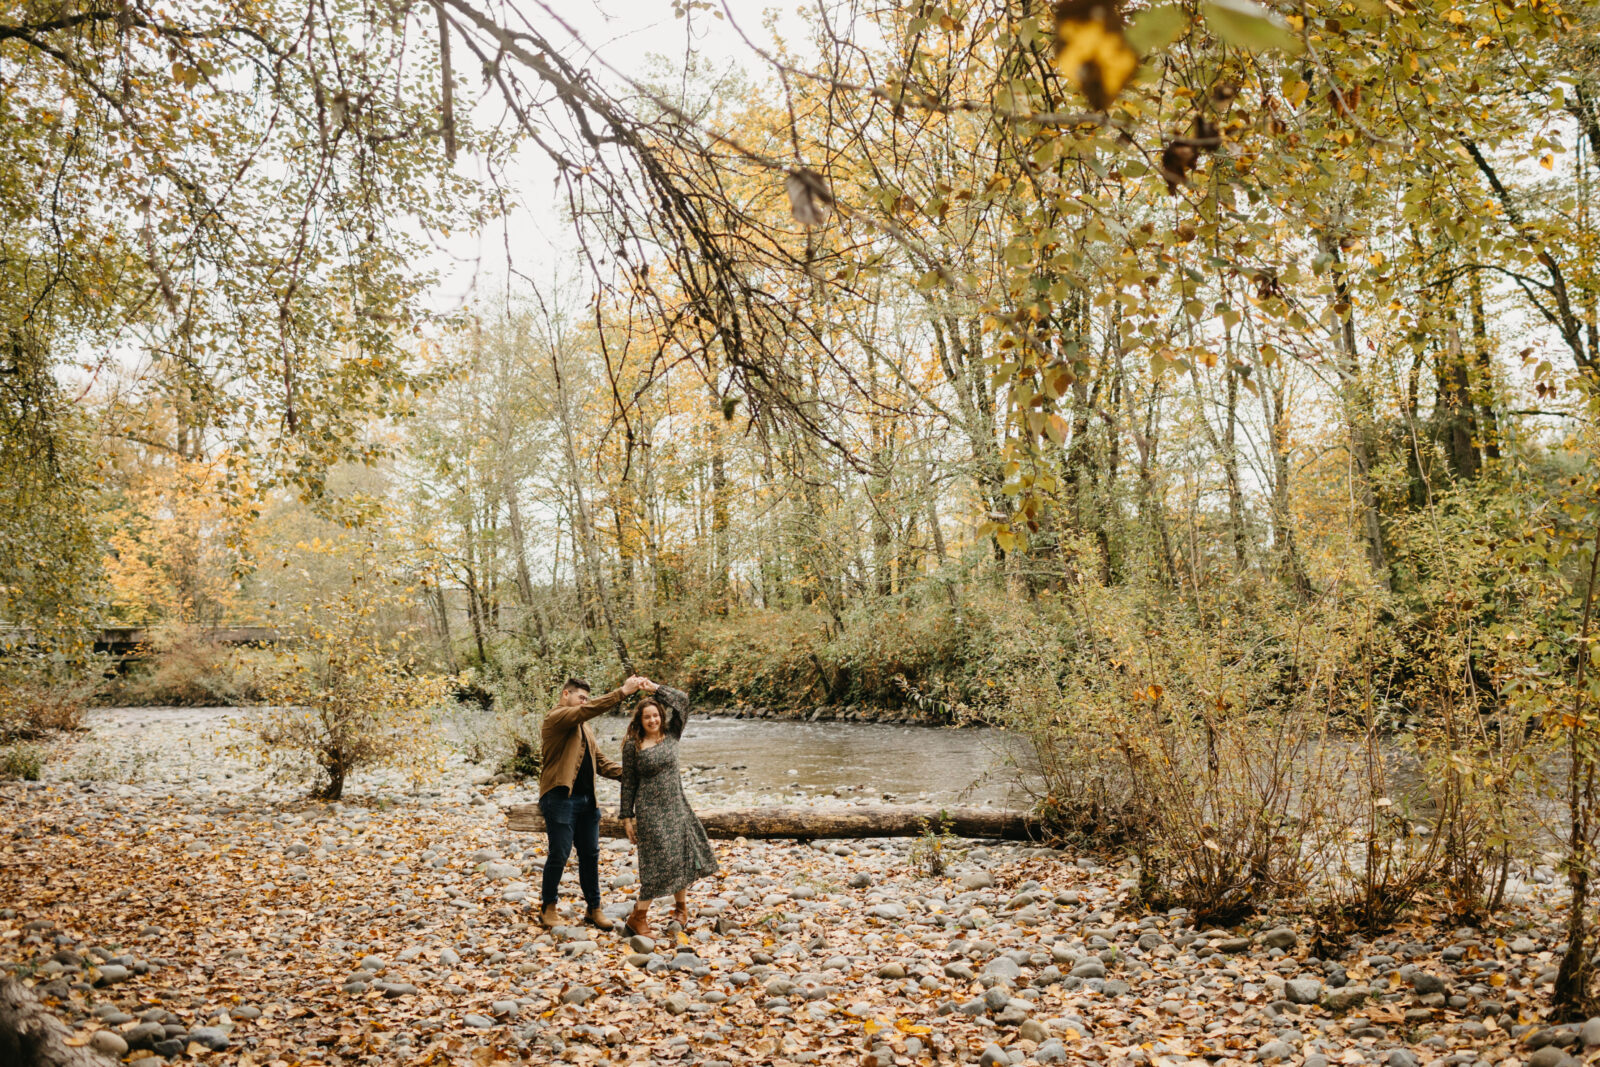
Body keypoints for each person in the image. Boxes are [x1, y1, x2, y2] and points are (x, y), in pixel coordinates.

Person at [537, 674, 645, 929]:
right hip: (559, 797)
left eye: (586, 698)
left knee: (590, 855)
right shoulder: (556, 717)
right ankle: (548, 907)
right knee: (560, 854)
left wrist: (632, 775)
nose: (584, 702)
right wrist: (622, 692)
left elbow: (601, 762)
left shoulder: (584, 727)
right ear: (566, 695)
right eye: (580, 697)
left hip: (587, 801)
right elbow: (588, 710)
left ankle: (594, 908)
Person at [619, 679, 719, 937]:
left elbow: (683, 700)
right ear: (639, 721)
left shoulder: (672, 733)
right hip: (650, 811)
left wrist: (654, 688)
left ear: (661, 717)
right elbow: (628, 783)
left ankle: (681, 909)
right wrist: (627, 818)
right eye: (647, 717)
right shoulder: (633, 745)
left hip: (677, 807)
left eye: (655, 715)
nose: (652, 720)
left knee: (681, 857)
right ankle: (637, 917)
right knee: (655, 863)